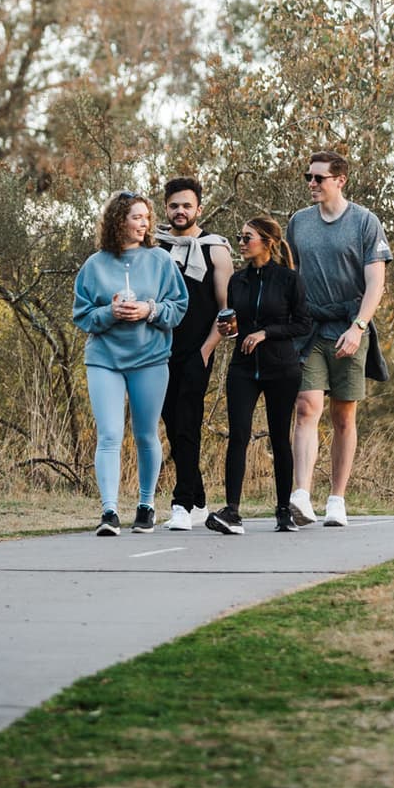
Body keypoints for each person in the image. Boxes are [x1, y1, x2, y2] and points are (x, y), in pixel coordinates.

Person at [72, 191, 188, 536]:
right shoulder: (94, 265)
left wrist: (149, 310)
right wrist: (110, 312)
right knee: (109, 434)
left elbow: (178, 308)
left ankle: (146, 505)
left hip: (150, 359)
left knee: (145, 433)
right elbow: (82, 315)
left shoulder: (160, 261)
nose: (144, 223)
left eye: (146, 217)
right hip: (104, 359)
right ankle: (108, 511)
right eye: (137, 217)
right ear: (118, 220)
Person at [286, 150, 391, 527]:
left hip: (349, 326)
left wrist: (359, 326)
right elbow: (290, 275)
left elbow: (375, 281)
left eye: (319, 178)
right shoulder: (298, 223)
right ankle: (300, 495)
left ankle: (336, 499)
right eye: (308, 178)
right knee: (305, 405)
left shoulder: (365, 222)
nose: (312, 184)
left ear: (340, 180)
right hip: (310, 327)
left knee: (343, 415)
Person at [207, 216, 312, 535]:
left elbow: (303, 324)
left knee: (280, 438)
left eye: (247, 237)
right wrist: (229, 328)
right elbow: (235, 322)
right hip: (243, 368)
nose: (241, 242)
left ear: (267, 242)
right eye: (239, 237)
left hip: (281, 368)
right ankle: (232, 512)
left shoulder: (288, 280)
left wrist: (266, 333)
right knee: (238, 435)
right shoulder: (237, 281)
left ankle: (283, 511)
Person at [153, 176, 232, 530]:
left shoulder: (214, 248)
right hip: (156, 351)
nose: (180, 211)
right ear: (166, 208)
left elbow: (226, 310)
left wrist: (205, 351)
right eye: (174, 205)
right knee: (172, 423)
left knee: (188, 422)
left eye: (187, 205)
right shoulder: (155, 247)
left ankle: (181, 504)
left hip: (197, 350)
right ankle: (198, 498)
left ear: (199, 208)